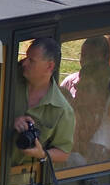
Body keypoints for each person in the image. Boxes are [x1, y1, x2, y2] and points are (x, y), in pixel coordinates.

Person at [12, 37, 76, 167]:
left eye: (31, 60)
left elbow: (63, 152)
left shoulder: (62, 110)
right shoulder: (8, 81)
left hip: (21, 176)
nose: (24, 63)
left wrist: (42, 154)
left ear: (49, 66)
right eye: (26, 57)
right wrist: (9, 122)